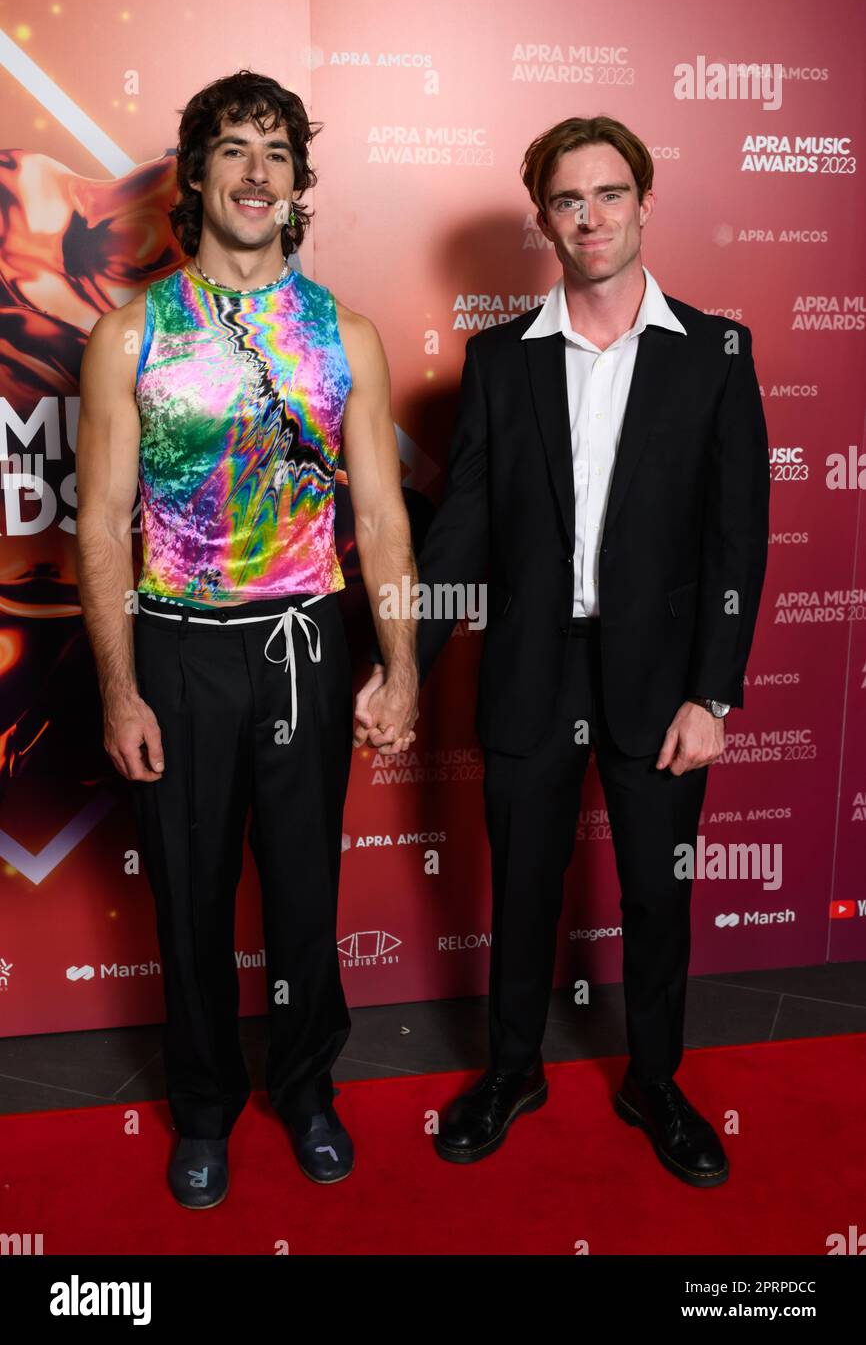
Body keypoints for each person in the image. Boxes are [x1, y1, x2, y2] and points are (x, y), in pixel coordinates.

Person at [355, 115, 770, 1188]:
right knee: (523, 885)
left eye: (610, 193)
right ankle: (511, 1070)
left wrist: (712, 693)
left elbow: (737, 536)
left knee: (656, 894)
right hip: (532, 667)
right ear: (542, 216)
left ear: (643, 200)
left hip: (660, 680)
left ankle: (656, 1080)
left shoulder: (717, 352)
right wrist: (403, 659)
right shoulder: (500, 360)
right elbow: (459, 532)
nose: (590, 216)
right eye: (568, 199)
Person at [76, 70, 418, 1209]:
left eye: (275, 151)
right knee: (186, 895)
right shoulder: (130, 335)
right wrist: (121, 690)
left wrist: (401, 662)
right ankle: (205, 1109)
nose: (255, 171)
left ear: (299, 181)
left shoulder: (345, 335)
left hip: (304, 641)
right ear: (196, 174)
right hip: (176, 646)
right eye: (232, 148)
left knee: (306, 893)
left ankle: (308, 1088)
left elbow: (379, 515)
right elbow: (102, 527)